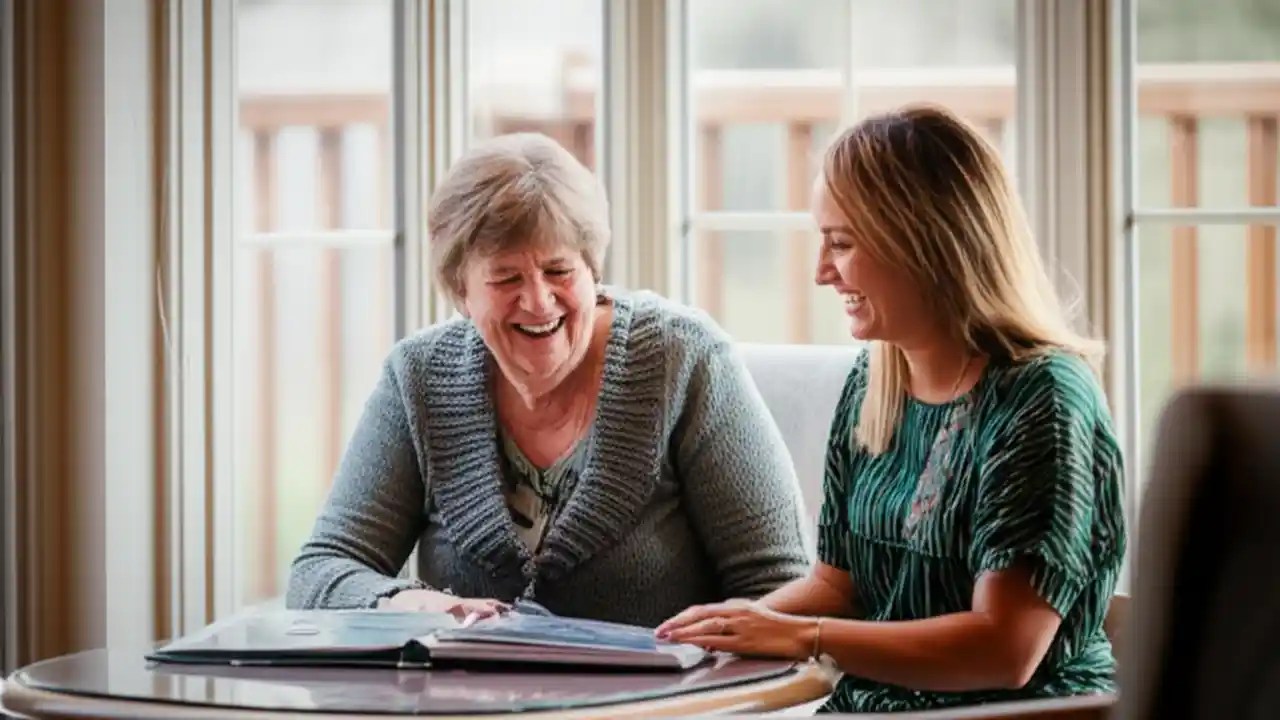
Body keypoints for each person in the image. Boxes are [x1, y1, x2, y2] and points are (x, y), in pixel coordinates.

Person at [656, 105, 1127, 713]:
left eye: (841, 243)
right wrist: (731, 624)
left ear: (924, 241)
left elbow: (1005, 650)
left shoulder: (1045, 398)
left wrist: (801, 636)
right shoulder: (875, 381)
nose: (823, 272)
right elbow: (838, 586)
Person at [286, 133, 810, 628]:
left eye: (560, 270)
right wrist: (412, 602)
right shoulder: (419, 377)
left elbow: (779, 590)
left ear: (592, 269)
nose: (538, 301)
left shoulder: (685, 360)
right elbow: (321, 573)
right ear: (461, 291)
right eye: (506, 278)